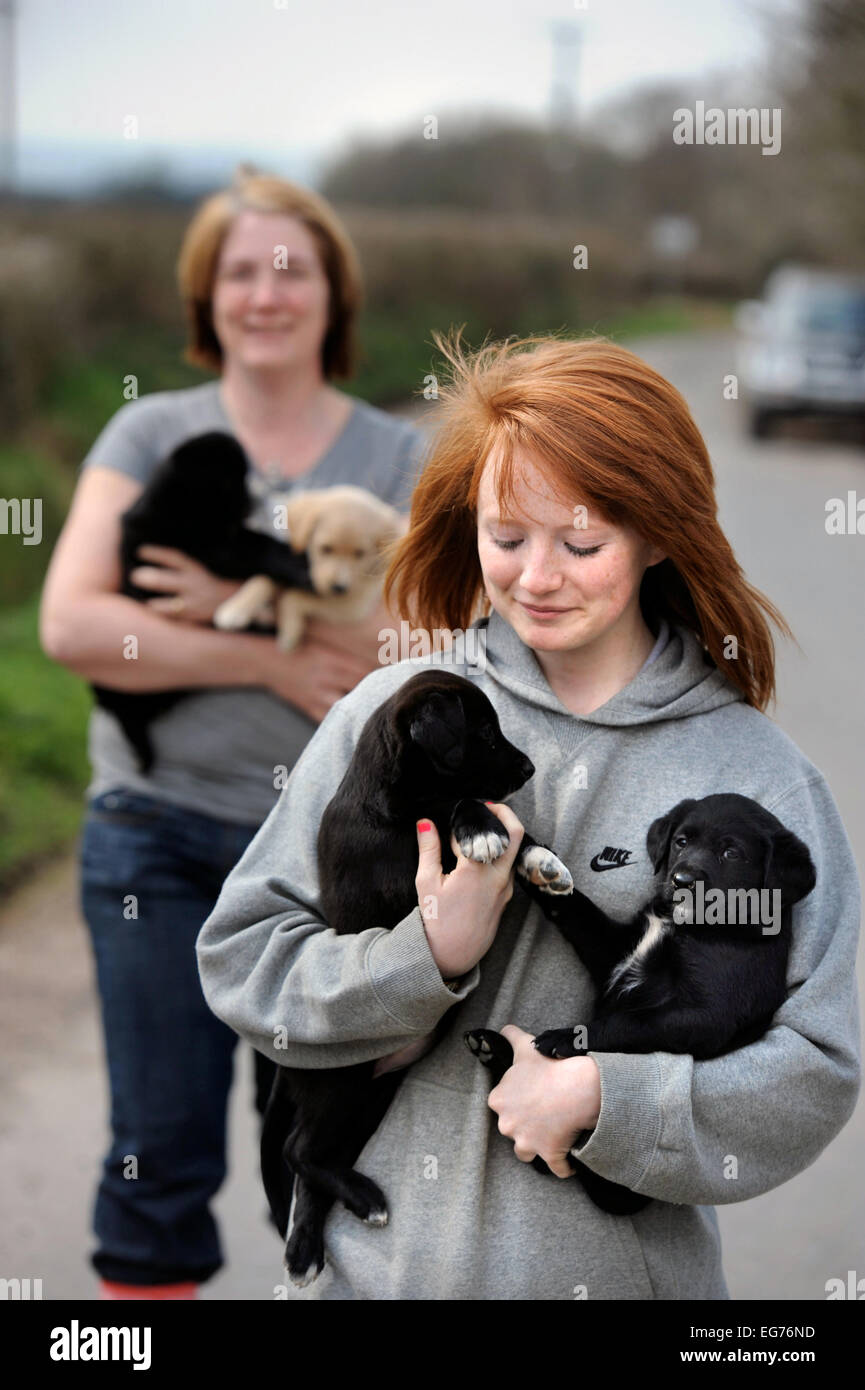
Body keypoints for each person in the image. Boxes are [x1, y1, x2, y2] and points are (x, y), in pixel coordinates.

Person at [195, 333, 861, 1301]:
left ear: (660, 533)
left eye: (580, 542)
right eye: (505, 537)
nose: (535, 577)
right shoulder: (391, 720)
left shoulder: (753, 779)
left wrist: (609, 1100)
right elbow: (241, 959)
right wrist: (418, 961)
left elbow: (815, 1066)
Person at [39, 170, 425, 1299]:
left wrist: (193, 611)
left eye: (292, 270)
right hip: (153, 840)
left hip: (333, 861)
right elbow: (74, 622)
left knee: (334, 1154)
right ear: (204, 297)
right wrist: (264, 646)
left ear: (334, 296)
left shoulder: (397, 457)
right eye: (238, 271)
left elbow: (419, 660)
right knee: (155, 1154)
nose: (265, 292)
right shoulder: (148, 429)